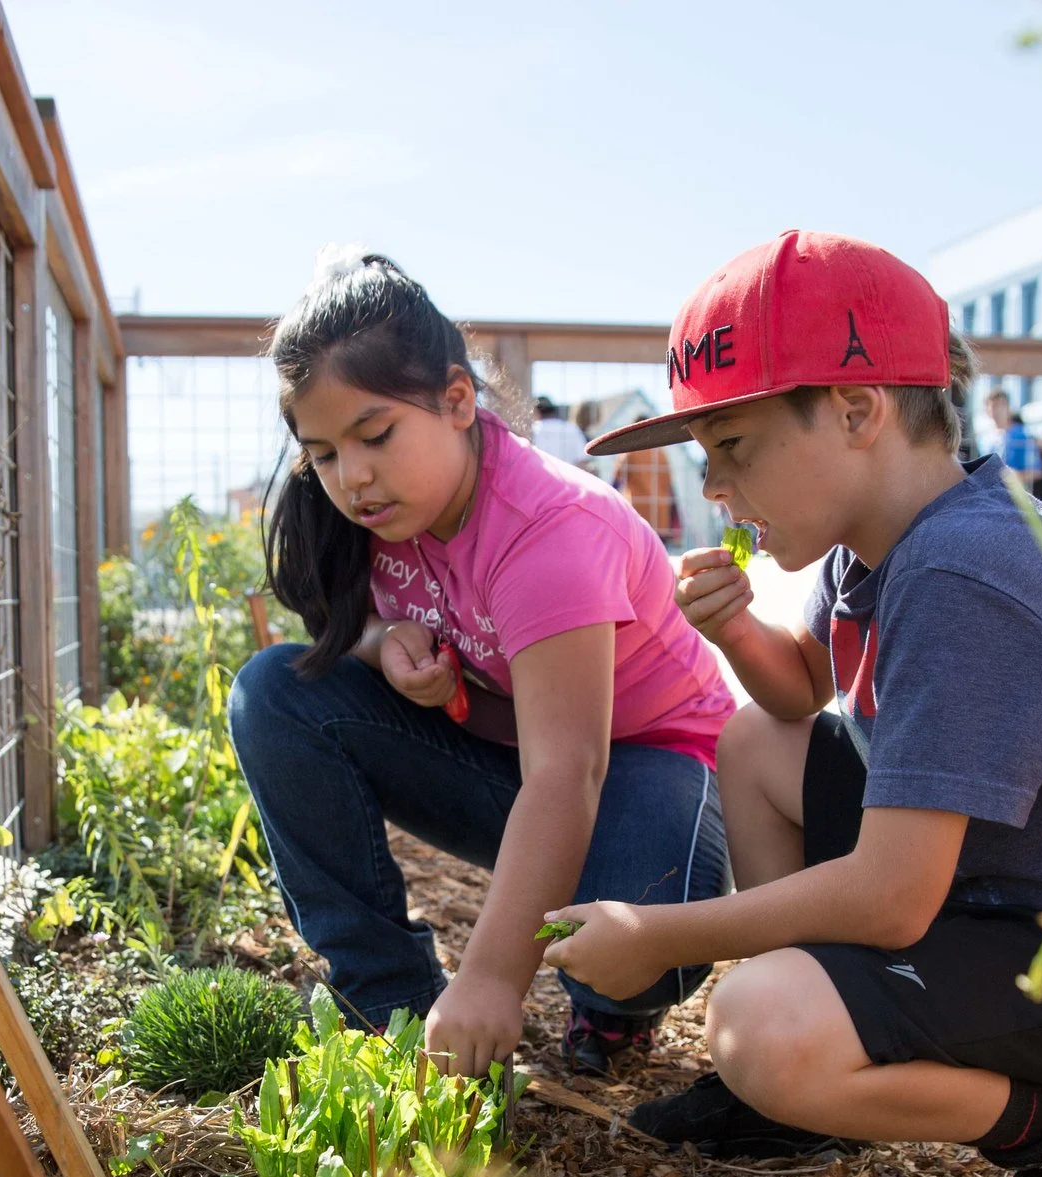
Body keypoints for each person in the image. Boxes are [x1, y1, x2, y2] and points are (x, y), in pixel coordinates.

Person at [558, 231, 1042, 1177]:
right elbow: (798, 697)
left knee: (758, 1024)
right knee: (755, 744)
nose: (715, 482)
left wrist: (659, 935)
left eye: (733, 444)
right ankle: (806, 1088)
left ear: (854, 407)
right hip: (1009, 897)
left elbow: (890, 897)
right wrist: (739, 633)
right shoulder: (875, 541)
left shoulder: (968, 569)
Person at [228, 252, 736, 1079]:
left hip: (653, 767)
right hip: (520, 761)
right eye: (323, 454)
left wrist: (494, 977)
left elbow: (568, 771)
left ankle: (616, 1013)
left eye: (376, 434)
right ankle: (389, 1005)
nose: (351, 476)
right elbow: (348, 623)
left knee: (635, 935)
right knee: (274, 694)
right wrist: (380, 644)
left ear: (458, 400)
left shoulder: (550, 532)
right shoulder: (387, 507)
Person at [530, 396, 590, 466]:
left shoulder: (532, 430)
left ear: (536, 412)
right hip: (568, 475)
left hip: (540, 475)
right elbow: (583, 460)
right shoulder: (571, 428)